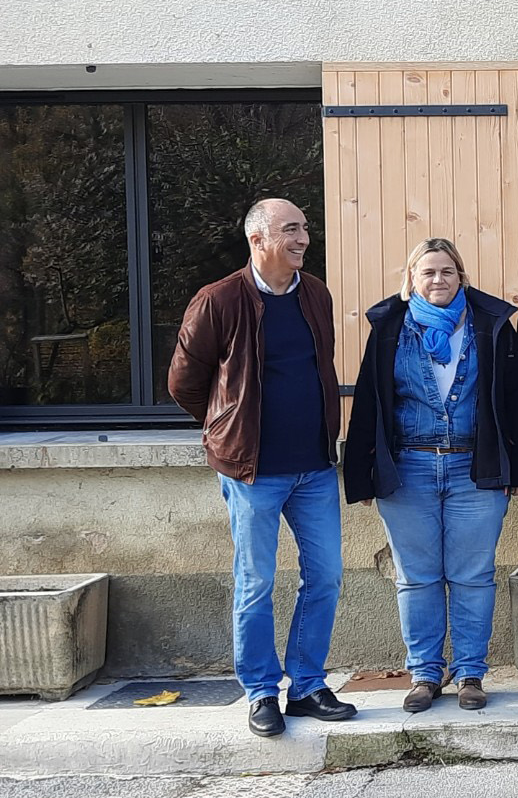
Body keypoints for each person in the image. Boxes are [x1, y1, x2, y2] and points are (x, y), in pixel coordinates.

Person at [168, 198, 355, 737]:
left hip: (314, 467)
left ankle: (307, 685)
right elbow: (184, 382)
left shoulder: (315, 293)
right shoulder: (217, 300)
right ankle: (259, 692)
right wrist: (225, 424)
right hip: (251, 471)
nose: (303, 238)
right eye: (290, 229)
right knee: (257, 582)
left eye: (304, 229)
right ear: (258, 239)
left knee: (325, 576)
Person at [343, 238, 518, 713]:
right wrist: (364, 473)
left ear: (462, 278)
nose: (437, 280)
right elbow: (370, 400)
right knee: (417, 577)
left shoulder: (492, 327)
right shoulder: (389, 328)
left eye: (447, 272)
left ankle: (470, 672)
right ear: (411, 280)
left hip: (476, 467)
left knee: (472, 575)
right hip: (408, 467)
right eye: (427, 272)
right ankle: (425, 673)